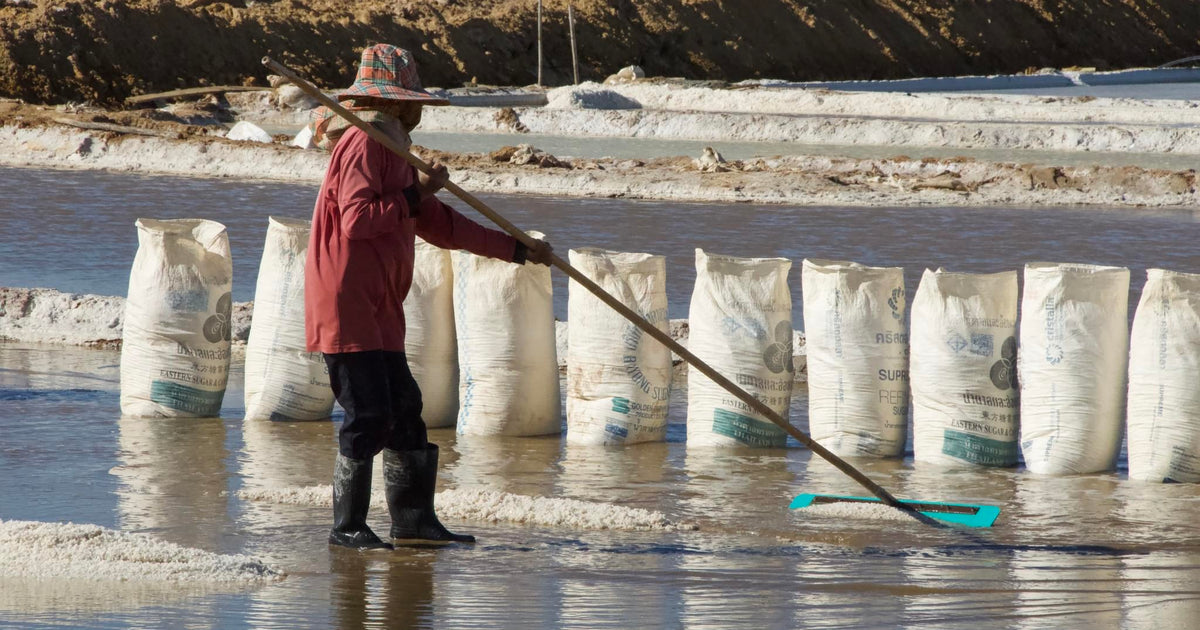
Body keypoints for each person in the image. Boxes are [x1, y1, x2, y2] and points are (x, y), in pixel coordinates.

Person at [306, 43, 553, 550]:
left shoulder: (391, 143)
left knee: (405, 408)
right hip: (347, 299)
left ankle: (413, 520)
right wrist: (418, 193)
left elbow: (439, 226)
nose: (420, 110)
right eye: (415, 101)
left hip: (380, 303)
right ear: (397, 102)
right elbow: (357, 220)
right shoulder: (364, 141)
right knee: (368, 413)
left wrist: (517, 249)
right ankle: (346, 527)